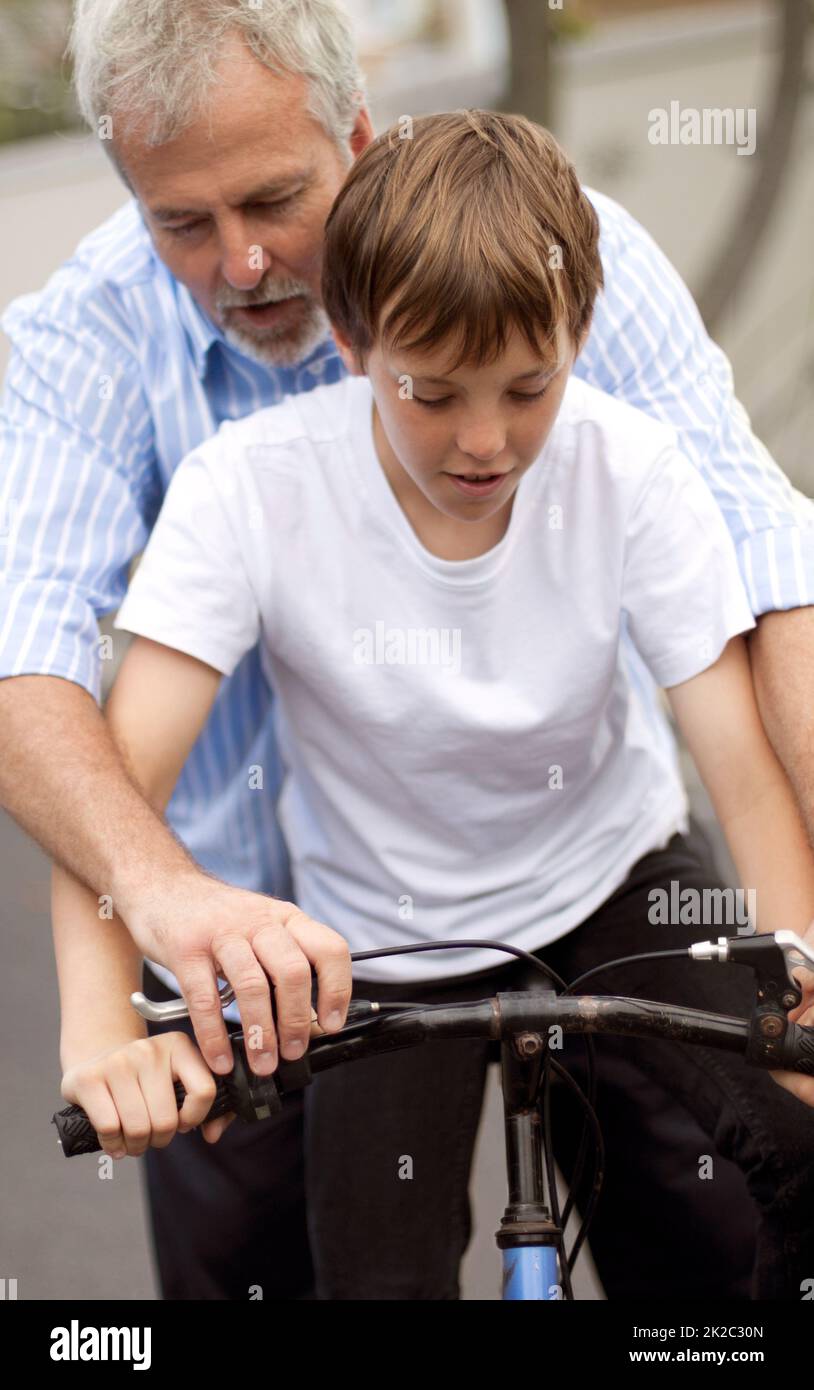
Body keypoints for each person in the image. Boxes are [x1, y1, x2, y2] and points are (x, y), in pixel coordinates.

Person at [2, 0, 811, 1300]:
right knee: (322, 1279)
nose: (246, 261)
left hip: (602, 872)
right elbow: (42, 687)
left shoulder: (577, 321)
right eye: (182, 224)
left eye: (274, 197)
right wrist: (105, 1017)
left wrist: (797, 949)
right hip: (303, 932)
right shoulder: (208, 454)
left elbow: (756, 622)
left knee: (741, 1222)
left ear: (354, 134)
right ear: (355, 350)